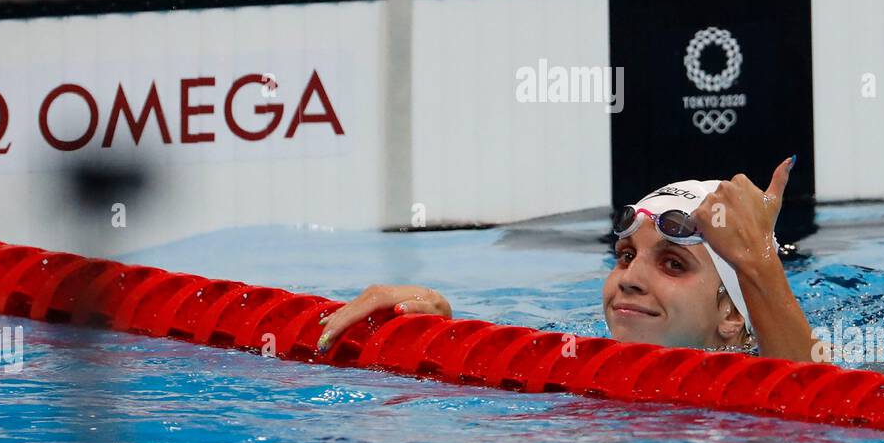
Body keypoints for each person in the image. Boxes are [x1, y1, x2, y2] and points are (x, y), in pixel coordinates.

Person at [317, 156, 820, 362]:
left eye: (672, 264)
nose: (629, 280)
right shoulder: (577, 361)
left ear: (731, 314)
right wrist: (440, 333)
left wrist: (757, 264)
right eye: (625, 257)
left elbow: (810, 411)